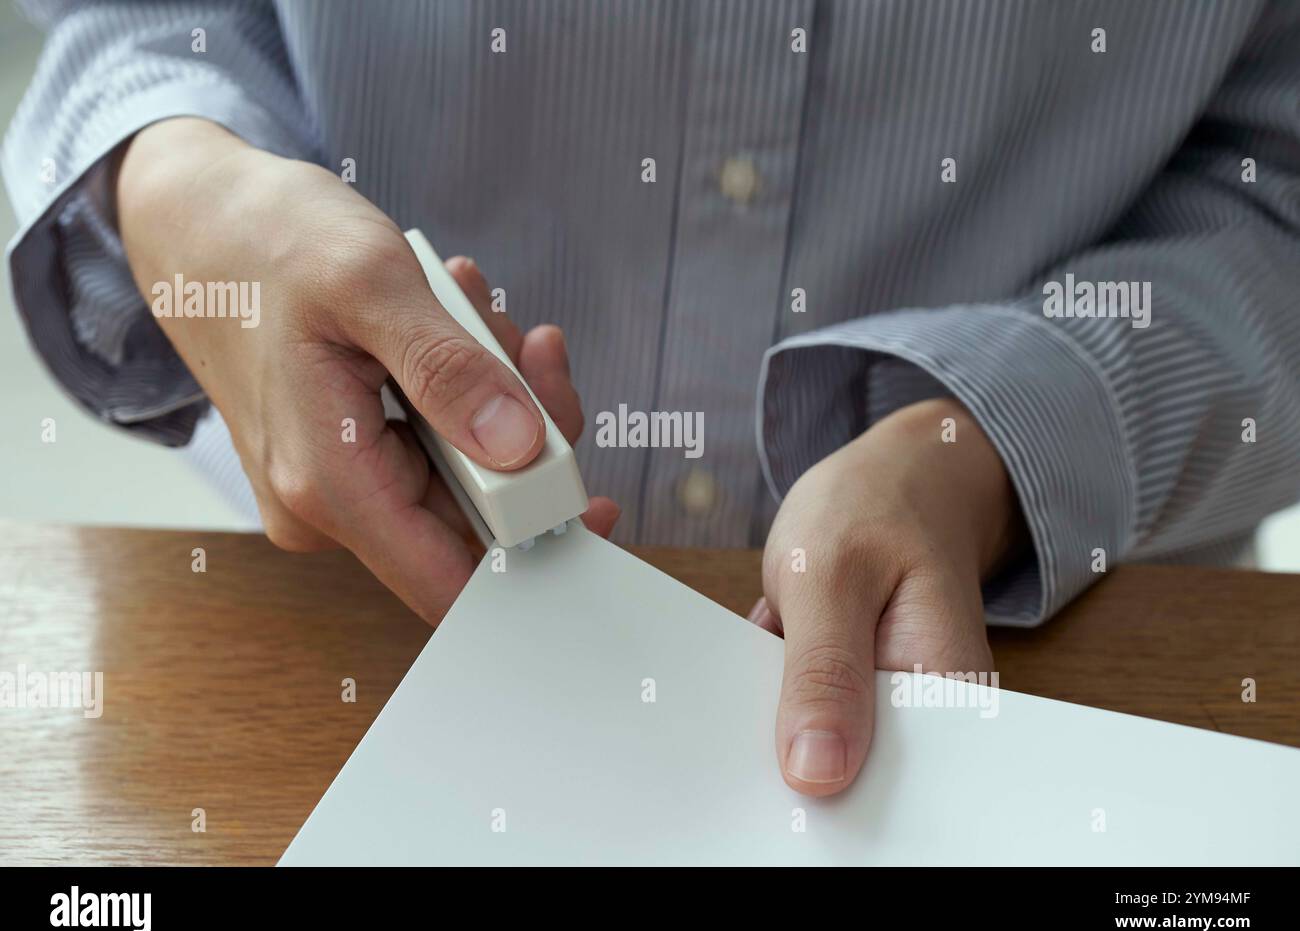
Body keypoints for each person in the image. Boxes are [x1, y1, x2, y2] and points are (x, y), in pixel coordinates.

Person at [5, 1, 1299, 798]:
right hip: (313, 635)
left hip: (1097, 645)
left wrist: (998, 441)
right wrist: (178, 182)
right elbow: (130, 23)